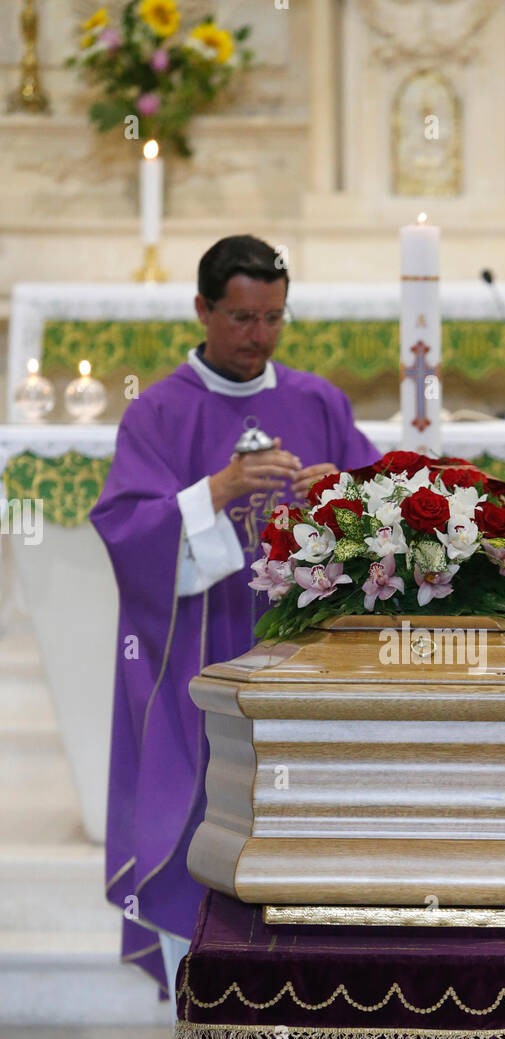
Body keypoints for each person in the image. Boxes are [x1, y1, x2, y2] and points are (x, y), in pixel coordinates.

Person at [91, 234, 381, 998]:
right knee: (208, 819)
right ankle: (212, 989)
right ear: (203, 310)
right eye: (243, 318)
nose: (259, 337)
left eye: (275, 318)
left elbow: (381, 511)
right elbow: (125, 525)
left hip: (307, 662)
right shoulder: (157, 413)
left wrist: (338, 495)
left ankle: (318, 985)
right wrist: (215, 492)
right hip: (204, 658)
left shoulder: (319, 400)